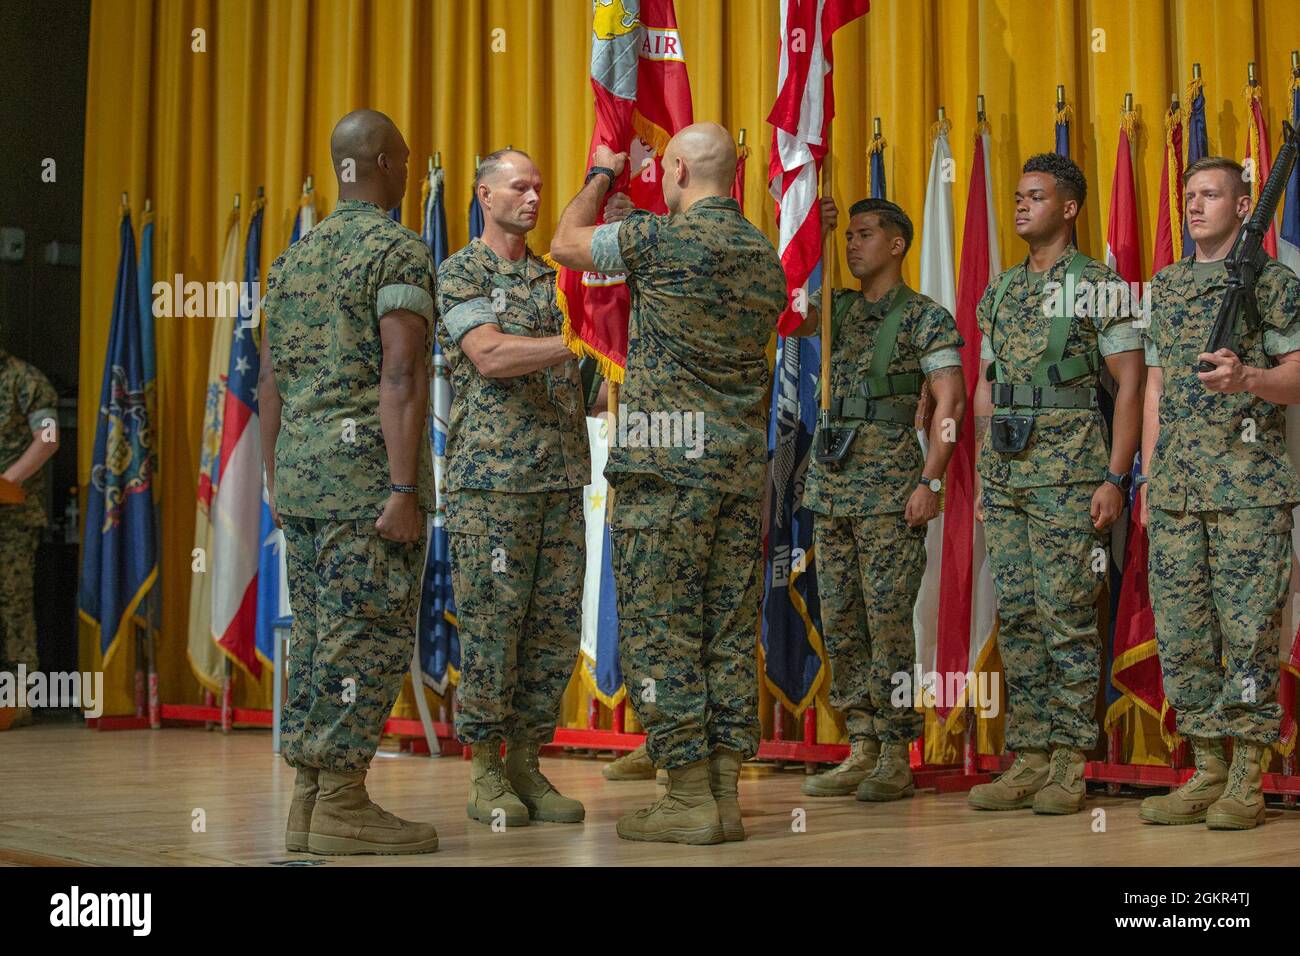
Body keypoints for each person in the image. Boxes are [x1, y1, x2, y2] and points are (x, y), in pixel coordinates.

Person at [551, 122, 787, 844]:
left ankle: (686, 794)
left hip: (664, 472)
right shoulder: (765, 258)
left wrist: (600, 173)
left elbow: (566, 241)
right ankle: (719, 791)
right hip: (741, 475)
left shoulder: (660, 242)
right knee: (723, 632)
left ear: (677, 168)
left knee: (663, 634)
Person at [259, 108, 438, 855]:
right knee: (361, 641)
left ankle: (309, 802)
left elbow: (268, 379)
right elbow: (401, 374)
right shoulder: (396, 251)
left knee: (321, 640)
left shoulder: (292, 259)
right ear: (389, 164)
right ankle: (339, 804)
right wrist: (402, 488)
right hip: (368, 484)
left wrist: (276, 478)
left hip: (303, 480)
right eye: (402, 161)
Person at [967, 152, 1144, 815]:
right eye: (1016, 196)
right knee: (1017, 616)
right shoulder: (1001, 290)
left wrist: (1116, 478)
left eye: (1034, 197)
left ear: (1068, 208)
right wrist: (985, 471)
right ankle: (1031, 755)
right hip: (1007, 475)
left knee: (1067, 614)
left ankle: (1071, 759)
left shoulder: (1099, 285)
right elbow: (987, 390)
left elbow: (1130, 383)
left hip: (1069, 474)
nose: (1019, 206)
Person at [1138, 156, 1300, 830]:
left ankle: (1246, 777)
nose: (1195, 205)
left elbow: (1296, 376)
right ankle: (1205, 768)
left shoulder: (1272, 282)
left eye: (1210, 195)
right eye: (1188, 195)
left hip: (1248, 489)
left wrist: (1249, 381)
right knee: (1184, 636)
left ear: (1242, 206)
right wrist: (1148, 481)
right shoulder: (1169, 285)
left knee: (1249, 633)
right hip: (1176, 489)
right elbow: (1153, 389)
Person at [436, 148, 598, 827]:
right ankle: (483, 769)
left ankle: (527, 764)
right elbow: (489, 353)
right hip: (491, 486)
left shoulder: (554, 275)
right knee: (492, 627)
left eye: (539, 186)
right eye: (519, 186)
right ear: (483, 194)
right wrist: (578, 340)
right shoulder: (460, 271)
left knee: (552, 631)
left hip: (559, 479)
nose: (534, 197)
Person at [788, 197, 966, 801]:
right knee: (842, 620)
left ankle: (895, 750)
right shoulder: (832, 309)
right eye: (850, 236)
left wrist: (932, 479)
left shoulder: (924, 317)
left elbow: (951, 402)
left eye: (865, 235)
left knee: (888, 623)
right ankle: (860, 743)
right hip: (832, 486)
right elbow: (783, 312)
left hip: (891, 488)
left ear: (896, 244)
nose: (853, 245)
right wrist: (813, 234)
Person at [0, 336, 59, 728]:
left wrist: (6, 480)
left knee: (13, 606)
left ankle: (18, 700)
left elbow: (49, 438)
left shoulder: (25, 379)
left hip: (12, 519)